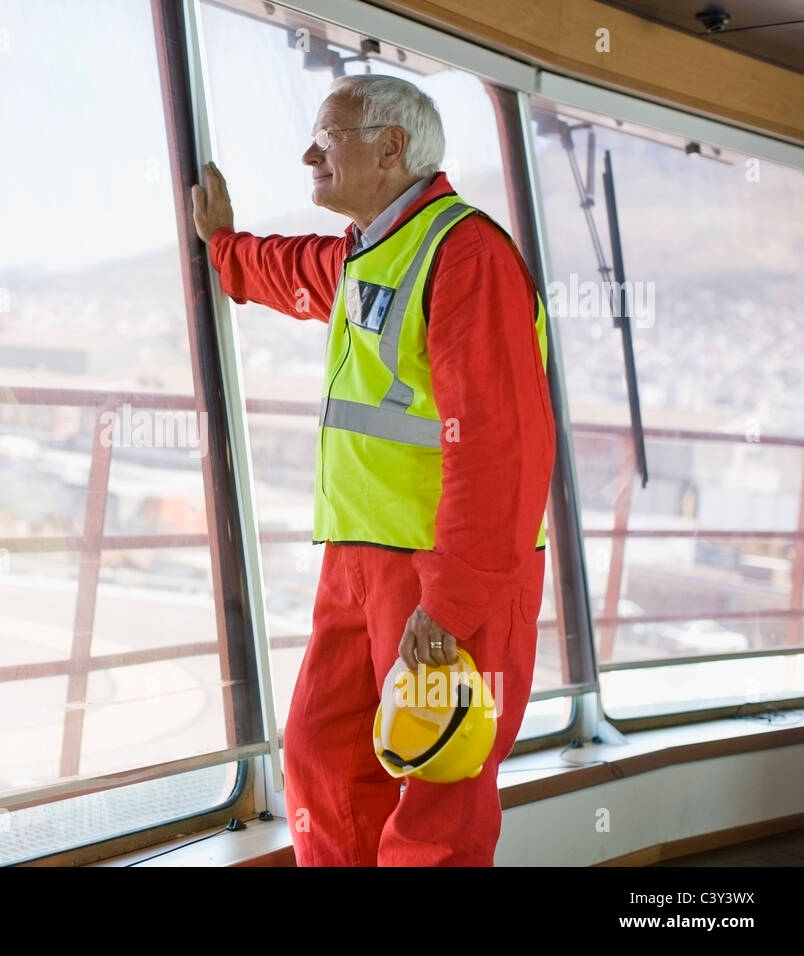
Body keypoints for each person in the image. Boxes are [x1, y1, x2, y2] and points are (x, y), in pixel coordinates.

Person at [189, 75, 555, 866]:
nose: (307, 153)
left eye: (329, 135)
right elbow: (293, 271)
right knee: (324, 765)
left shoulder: (467, 256)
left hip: (448, 573)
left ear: (391, 147)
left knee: (438, 794)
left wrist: (452, 602)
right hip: (359, 564)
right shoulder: (372, 256)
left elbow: (502, 449)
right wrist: (223, 246)